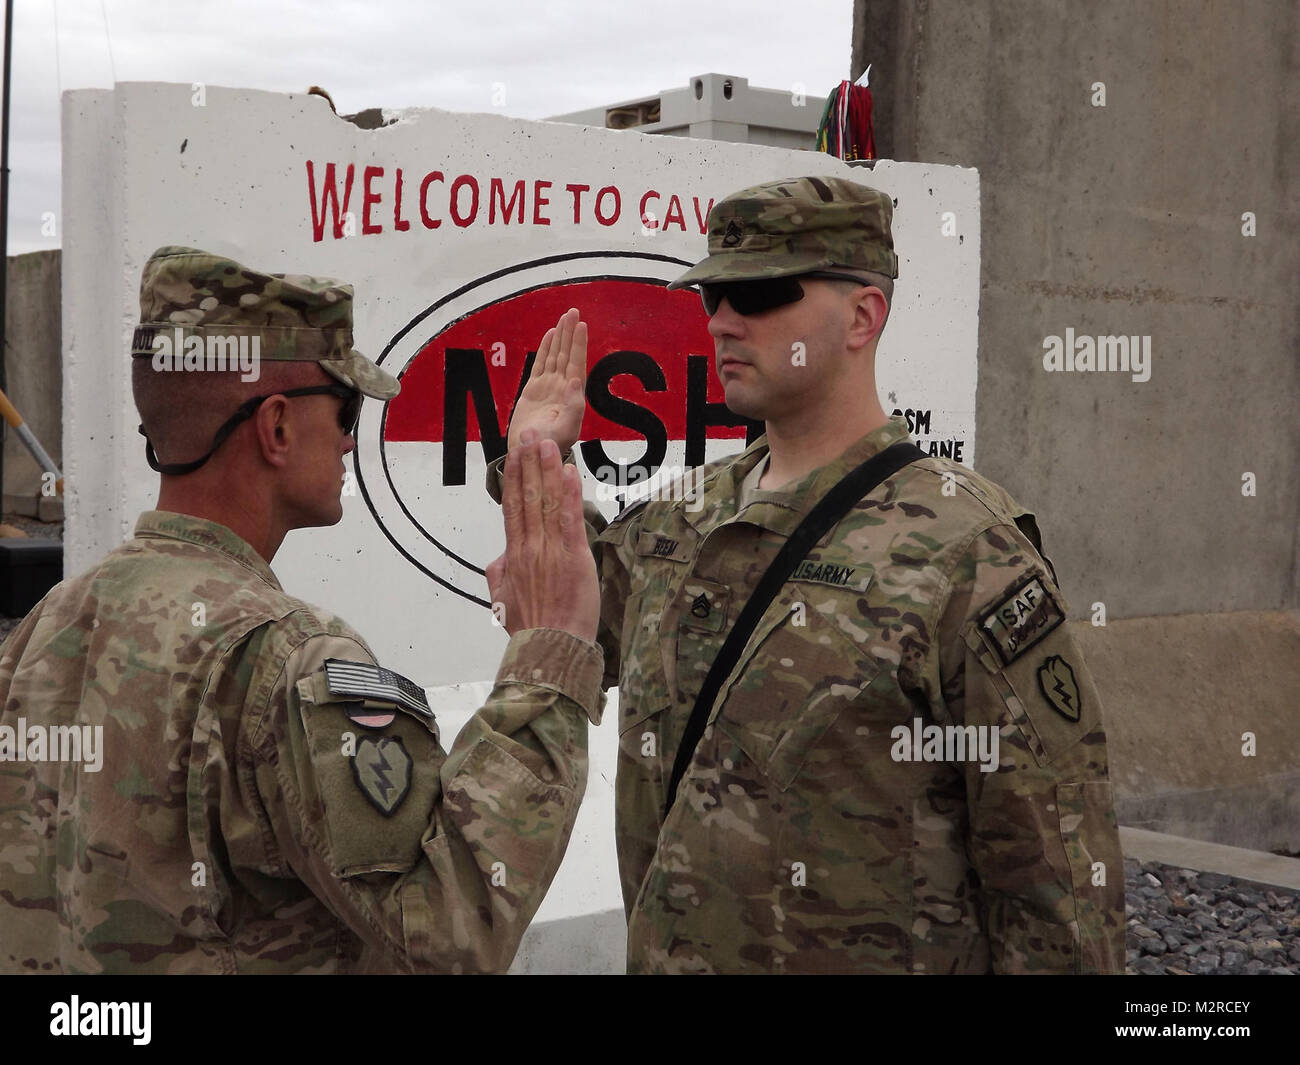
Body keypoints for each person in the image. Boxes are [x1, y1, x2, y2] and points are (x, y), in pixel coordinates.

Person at [500, 176, 1126, 973]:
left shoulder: (968, 549)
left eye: (760, 293)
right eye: (713, 297)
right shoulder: (684, 517)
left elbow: (1053, 873)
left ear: (863, 316)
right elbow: (569, 623)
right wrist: (535, 462)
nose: (723, 321)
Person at [0, 245, 602, 974]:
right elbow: (447, 930)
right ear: (277, 427)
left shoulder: (49, 623)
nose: (351, 436)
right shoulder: (288, 658)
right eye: (345, 407)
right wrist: (549, 657)